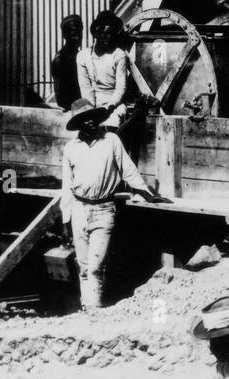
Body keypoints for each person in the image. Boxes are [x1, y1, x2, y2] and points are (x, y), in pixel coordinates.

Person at [61, 99, 163, 311]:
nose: (89, 122)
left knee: (97, 266)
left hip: (104, 210)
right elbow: (66, 186)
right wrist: (65, 220)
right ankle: (86, 308)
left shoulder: (111, 140)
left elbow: (128, 169)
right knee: (83, 266)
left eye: (92, 118)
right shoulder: (71, 148)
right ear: (78, 124)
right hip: (79, 209)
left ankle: (94, 310)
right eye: (83, 119)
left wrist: (146, 193)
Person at [77, 11, 130, 127]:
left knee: (111, 124)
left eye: (111, 33)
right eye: (105, 33)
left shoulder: (118, 55)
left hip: (113, 104)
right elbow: (86, 88)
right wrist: (91, 111)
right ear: (96, 33)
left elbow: (121, 88)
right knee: (81, 125)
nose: (108, 37)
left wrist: (108, 108)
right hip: (91, 103)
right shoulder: (83, 56)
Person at [49, 14, 84, 110]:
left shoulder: (81, 56)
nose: (78, 38)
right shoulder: (61, 60)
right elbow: (63, 98)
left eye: (79, 34)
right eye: (73, 35)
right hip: (74, 110)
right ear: (65, 35)